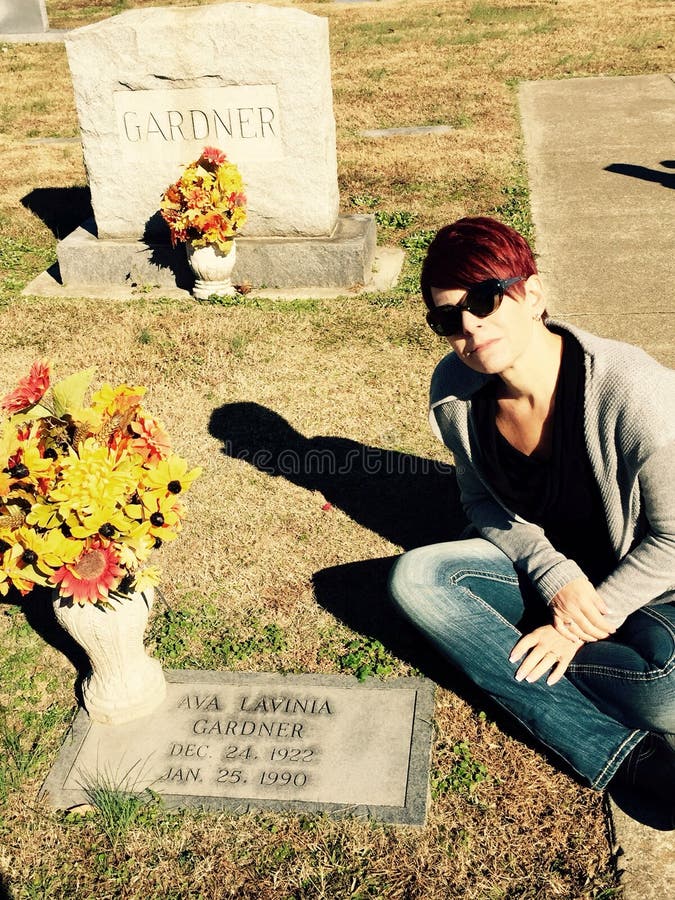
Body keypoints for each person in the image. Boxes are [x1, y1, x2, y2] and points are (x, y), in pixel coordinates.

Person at [388, 216, 675, 826]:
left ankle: (506, 654)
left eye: (485, 298)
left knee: (664, 686)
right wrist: (553, 575)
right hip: (547, 573)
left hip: (654, 583)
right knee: (418, 579)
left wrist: (575, 627)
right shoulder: (456, 391)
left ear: (533, 293)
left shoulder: (634, 393)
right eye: (448, 317)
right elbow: (483, 504)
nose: (468, 325)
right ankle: (621, 756)